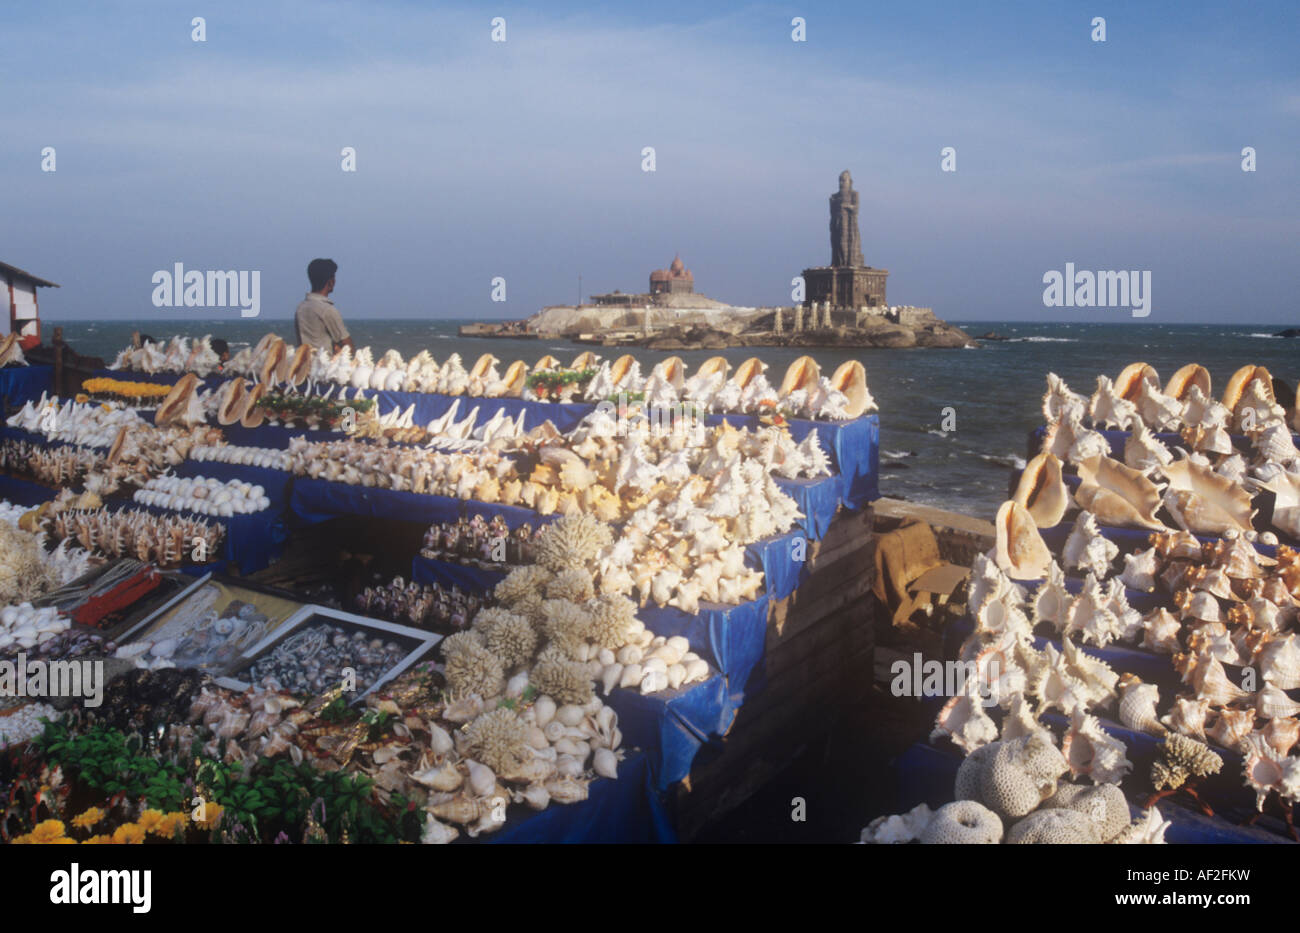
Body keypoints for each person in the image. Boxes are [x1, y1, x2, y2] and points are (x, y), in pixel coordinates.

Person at [294, 258, 353, 352]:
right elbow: (348, 347)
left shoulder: (301, 308)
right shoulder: (327, 310)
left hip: (305, 363)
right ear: (330, 282)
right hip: (324, 365)